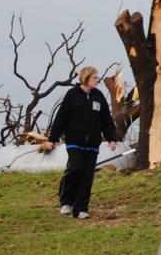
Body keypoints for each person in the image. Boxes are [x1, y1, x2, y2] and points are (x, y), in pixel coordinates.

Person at [43, 66, 117, 219]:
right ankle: (66, 202)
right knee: (75, 168)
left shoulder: (98, 96)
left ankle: (81, 209)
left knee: (87, 175)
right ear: (86, 78)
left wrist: (111, 138)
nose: (98, 80)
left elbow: (106, 120)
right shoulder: (72, 95)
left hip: (93, 143)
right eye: (95, 78)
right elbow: (61, 118)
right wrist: (52, 139)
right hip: (74, 141)